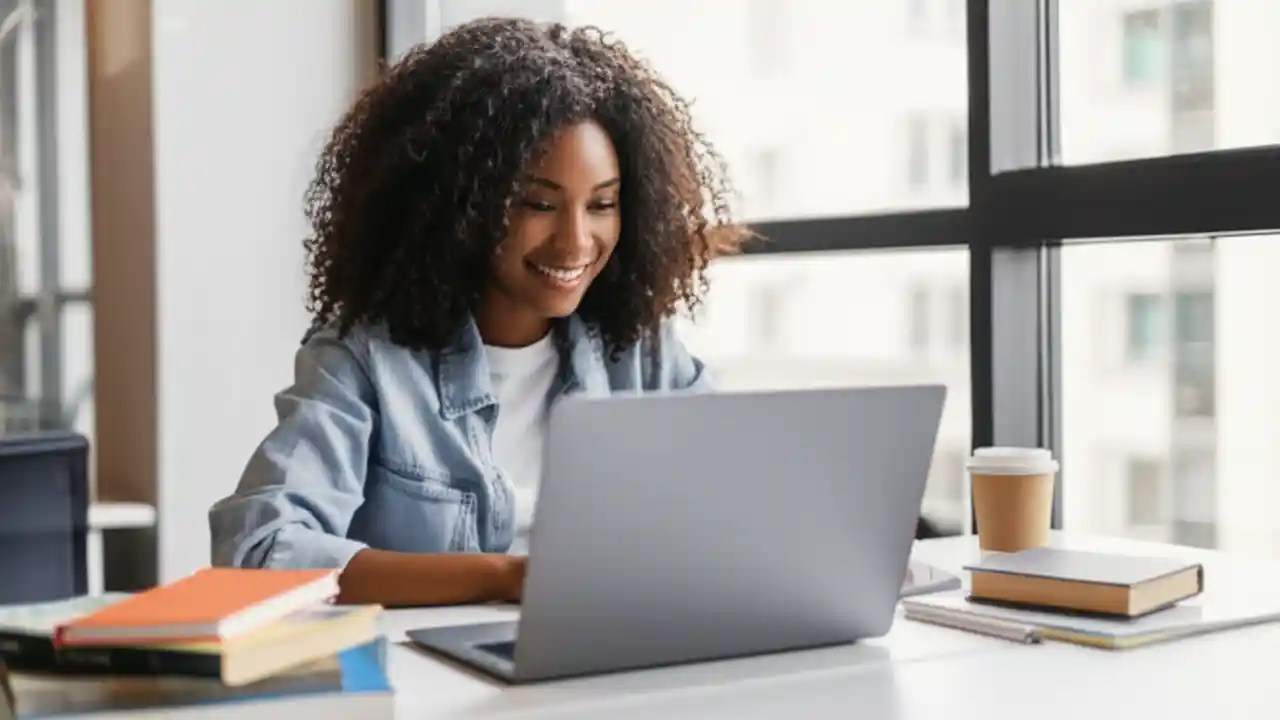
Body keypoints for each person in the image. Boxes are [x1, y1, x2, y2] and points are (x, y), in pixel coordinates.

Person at [208, 18, 751, 607]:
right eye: (538, 204)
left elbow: (738, 511)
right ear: (461, 205)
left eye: (602, 205)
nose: (575, 242)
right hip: (428, 666)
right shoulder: (367, 361)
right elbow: (261, 551)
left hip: (608, 652)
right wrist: (501, 577)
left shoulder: (641, 354)